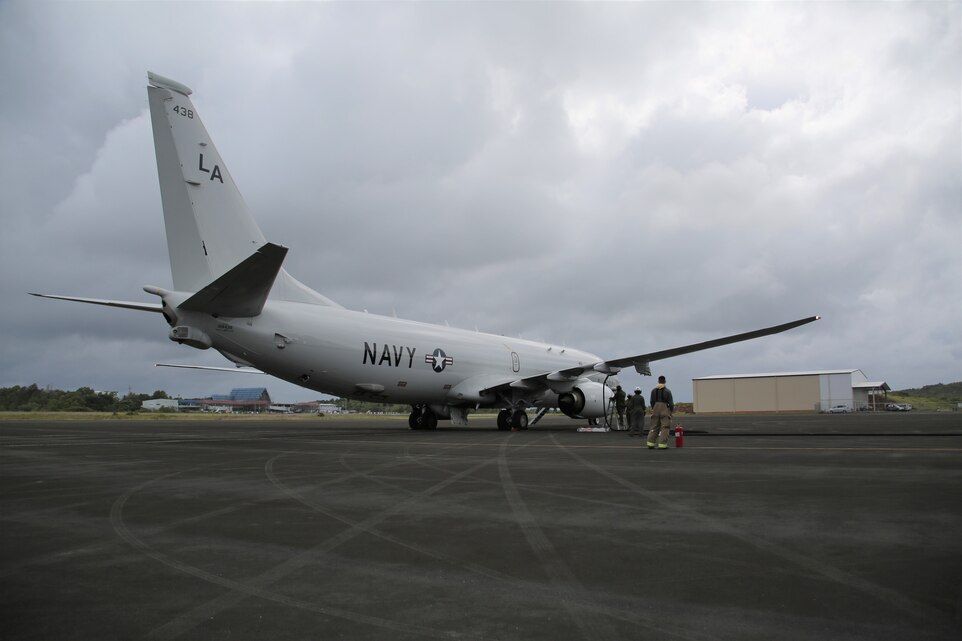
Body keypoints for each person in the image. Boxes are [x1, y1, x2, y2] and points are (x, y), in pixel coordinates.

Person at [647, 375, 674, 449]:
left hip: (655, 407)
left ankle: (650, 443)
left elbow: (651, 401)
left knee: (654, 426)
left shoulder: (653, 391)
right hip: (664, 408)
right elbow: (671, 403)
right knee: (665, 426)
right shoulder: (667, 391)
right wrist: (670, 411)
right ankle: (662, 444)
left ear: (658, 381)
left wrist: (654, 409)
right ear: (665, 381)